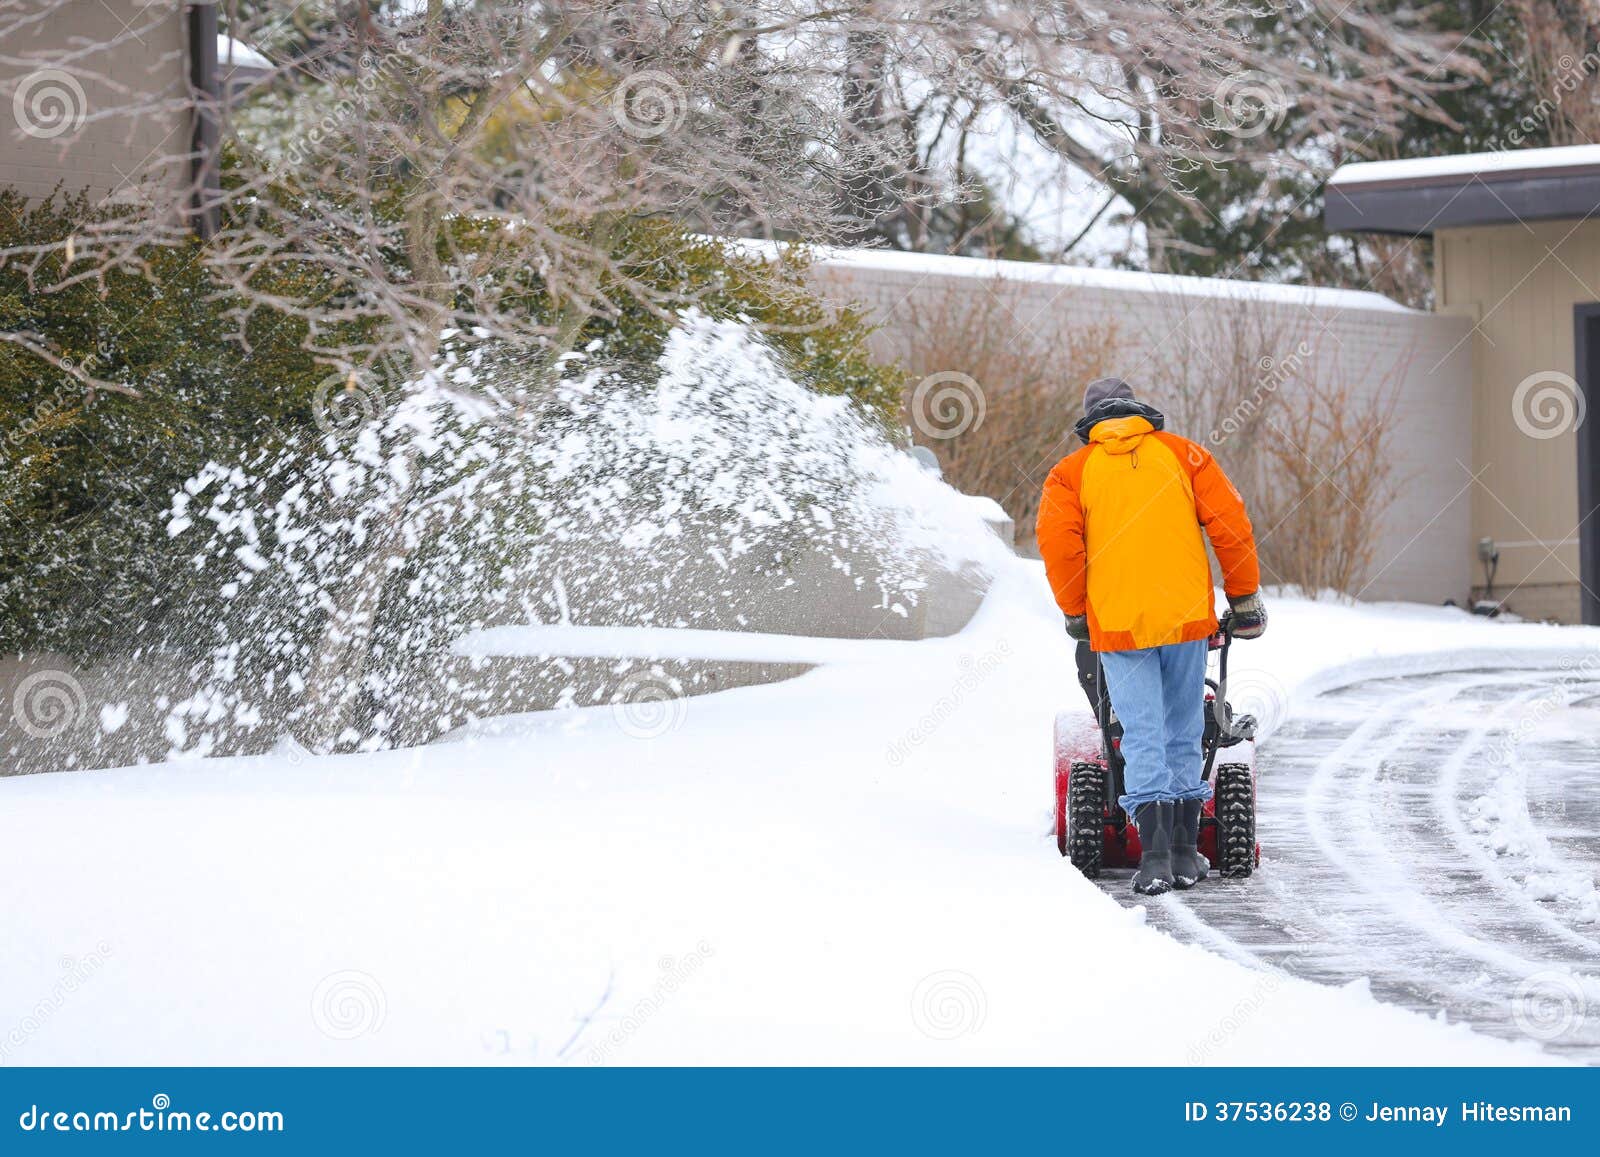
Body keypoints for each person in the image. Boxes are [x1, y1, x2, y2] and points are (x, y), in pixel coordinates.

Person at [1036, 377, 1265, 895]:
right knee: (1184, 728)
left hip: (1117, 626)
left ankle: (1155, 859)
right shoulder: (1186, 456)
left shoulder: (1069, 474)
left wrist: (1075, 610)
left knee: (1139, 732)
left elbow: (1059, 546)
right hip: (1186, 618)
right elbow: (1230, 524)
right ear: (1139, 410)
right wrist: (1245, 599)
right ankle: (1187, 852)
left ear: (1091, 421)